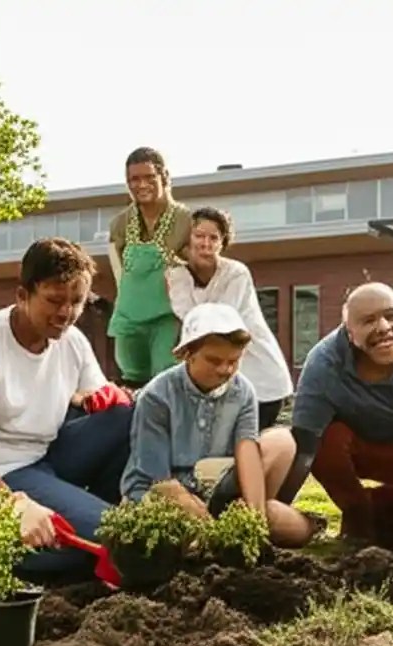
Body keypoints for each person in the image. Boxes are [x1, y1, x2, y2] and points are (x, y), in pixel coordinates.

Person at [0, 238, 134, 579]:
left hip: (44, 458)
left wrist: (107, 397)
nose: (66, 313)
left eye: (77, 302)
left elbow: (97, 394)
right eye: (54, 300)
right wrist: (16, 506)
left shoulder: (69, 341)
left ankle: (85, 520)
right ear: (22, 295)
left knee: (125, 415)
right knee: (116, 539)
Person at [120, 303, 315, 547]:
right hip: (163, 492)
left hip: (215, 487)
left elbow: (248, 452)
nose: (225, 369)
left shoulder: (243, 392)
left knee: (283, 450)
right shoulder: (158, 396)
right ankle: (215, 544)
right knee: (181, 530)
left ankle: (256, 532)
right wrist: (205, 523)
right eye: (214, 360)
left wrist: (254, 517)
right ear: (188, 353)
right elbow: (160, 482)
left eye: (234, 361)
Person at [276, 282, 393, 548]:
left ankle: (381, 512)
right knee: (328, 440)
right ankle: (358, 515)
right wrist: (277, 508)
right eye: (368, 321)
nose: (384, 327)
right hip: (350, 445)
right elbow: (305, 443)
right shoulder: (323, 363)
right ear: (350, 333)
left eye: (392, 316)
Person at [167, 207, 293, 430]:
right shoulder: (176, 276)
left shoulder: (236, 273)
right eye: (199, 235)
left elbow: (219, 322)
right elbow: (189, 318)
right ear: (187, 237)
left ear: (222, 242)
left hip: (262, 380)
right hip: (221, 381)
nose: (205, 243)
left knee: (252, 447)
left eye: (213, 238)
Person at [107, 147, 192, 387]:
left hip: (167, 317)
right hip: (129, 317)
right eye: (134, 179)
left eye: (148, 177)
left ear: (164, 176)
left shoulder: (186, 220)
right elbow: (118, 274)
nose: (141, 185)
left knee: (166, 378)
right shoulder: (119, 224)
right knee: (131, 379)